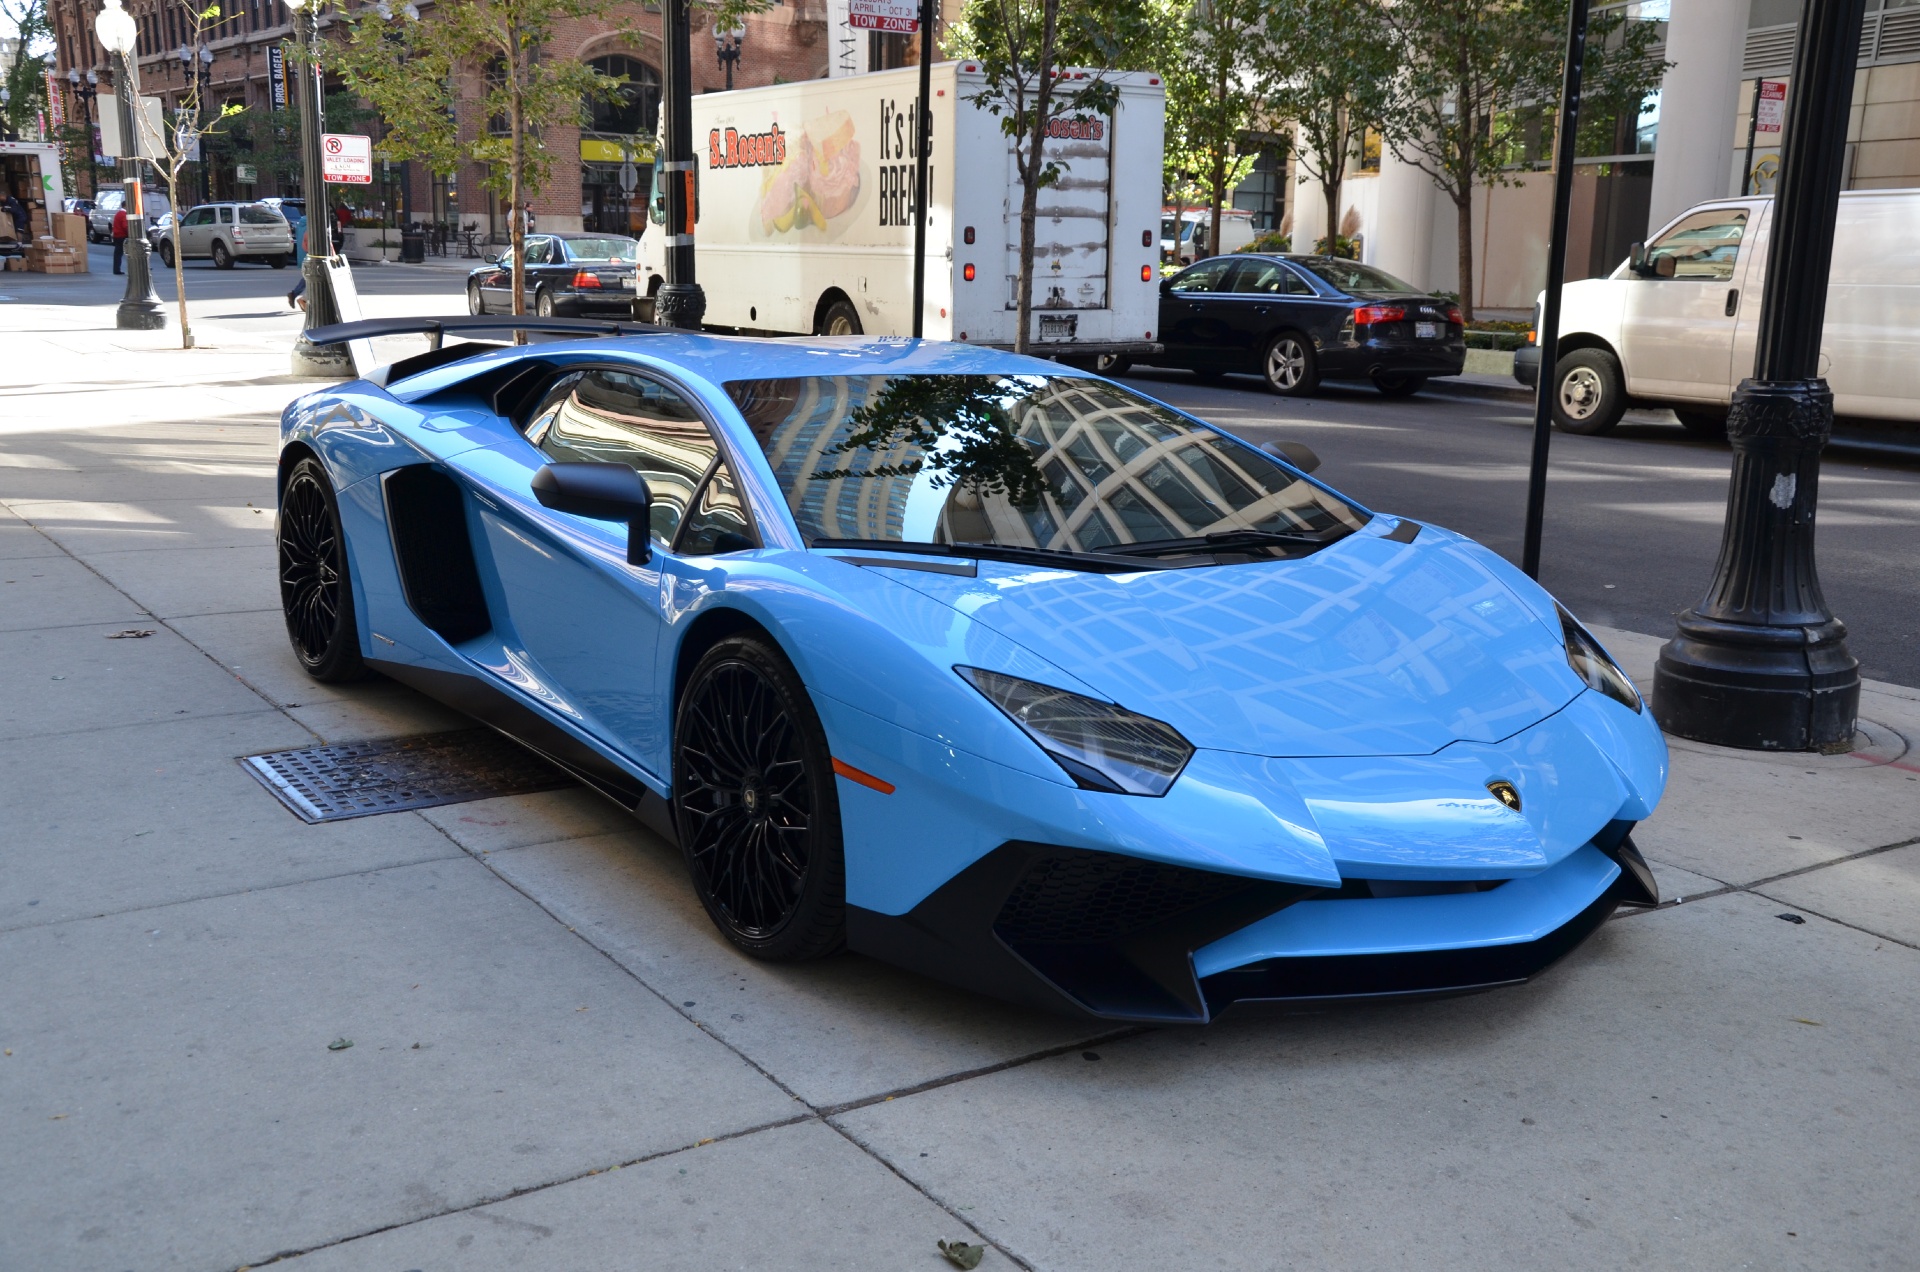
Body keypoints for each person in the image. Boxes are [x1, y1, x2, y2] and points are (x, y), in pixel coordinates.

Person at [111, 206, 129, 275]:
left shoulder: (118, 213)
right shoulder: (123, 214)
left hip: (117, 235)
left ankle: (116, 269)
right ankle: (117, 270)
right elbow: (125, 226)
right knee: (120, 253)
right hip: (121, 236)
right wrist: (129, 234)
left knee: (117, 254)